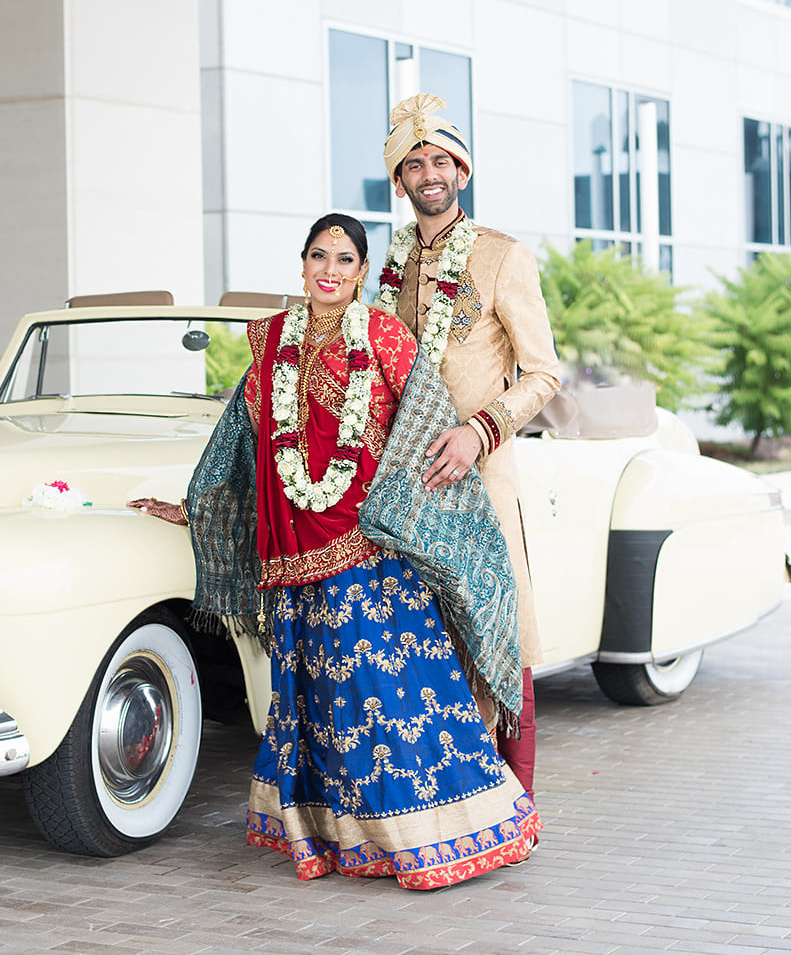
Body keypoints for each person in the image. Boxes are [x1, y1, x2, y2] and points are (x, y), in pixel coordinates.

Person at [131, 213, 537, 890]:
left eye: (345, 259)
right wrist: (197, 508)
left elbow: (426, 425)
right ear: (302, 264)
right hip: (293, 557)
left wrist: (427, 508)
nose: (330, 269)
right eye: (319, 255)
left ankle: (432, 837)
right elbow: (239, 442)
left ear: (361, 270)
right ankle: (340, 839)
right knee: (321, 706)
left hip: (370, 553)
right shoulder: (269, 341)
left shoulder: (384, 336)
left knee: (388, 698)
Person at [373, 93, 561, 808]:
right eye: (414, 163)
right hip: (407, 484)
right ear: (399, 181)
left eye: (441, 161)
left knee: (499, 629)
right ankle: (442, 806)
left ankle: (513, 807)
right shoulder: (388, 264)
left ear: (462, 171)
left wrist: (479, 429)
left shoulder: (502, 256)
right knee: (421, 643)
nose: (430, 173)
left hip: (482, 473)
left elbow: (544, 373)